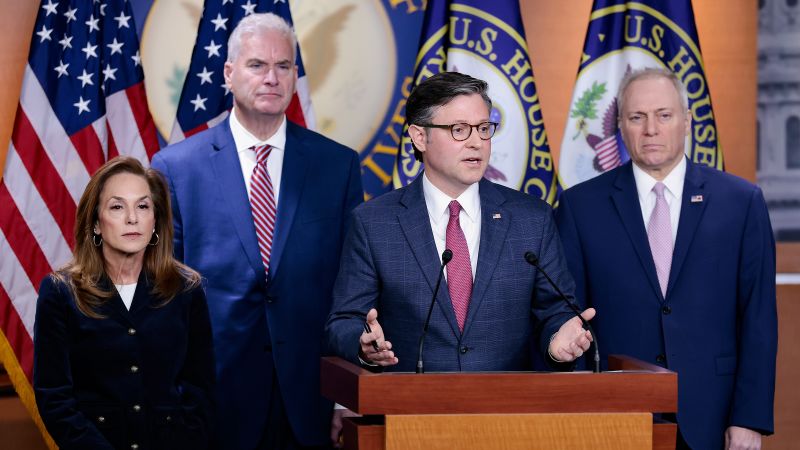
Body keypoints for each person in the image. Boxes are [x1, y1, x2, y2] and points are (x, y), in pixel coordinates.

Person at [151, 12, 363, 450]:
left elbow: (352, 291)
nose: (271, 78)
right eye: (257, 65)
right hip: (212, 401)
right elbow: (164, 296)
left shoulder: (337, 165)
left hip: (311, 399)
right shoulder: (176, 168)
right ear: (228, 74)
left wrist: (347, 396)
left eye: (283, 66)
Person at [556, 68, 777, 450]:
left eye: (664, 115)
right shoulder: (580, 206)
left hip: (714, 415)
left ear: (686, 121)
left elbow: (758, 319)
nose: (651, 130)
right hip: (616, 416)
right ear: (620, 125)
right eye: (637, 117)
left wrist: (748, 419)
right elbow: (567, 317)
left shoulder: (741, 202)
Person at [325, 71, 594, 374]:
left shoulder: (532, 219)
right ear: (419, 137)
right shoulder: (374, 223)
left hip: (506, 400)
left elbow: (556, 311)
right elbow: (344, 320)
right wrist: (363, 344)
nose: (477, 142)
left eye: (484, 128)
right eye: (459, 130)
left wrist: (558, 342)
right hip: (411, 400)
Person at [33, 156, 214, 450]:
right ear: (96, 223)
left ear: (155, 221)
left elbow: (201, 390)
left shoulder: (186, 289)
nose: (132, 218)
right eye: (117, 207)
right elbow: (55, 398)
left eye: (143, 206)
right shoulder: (60, 292)